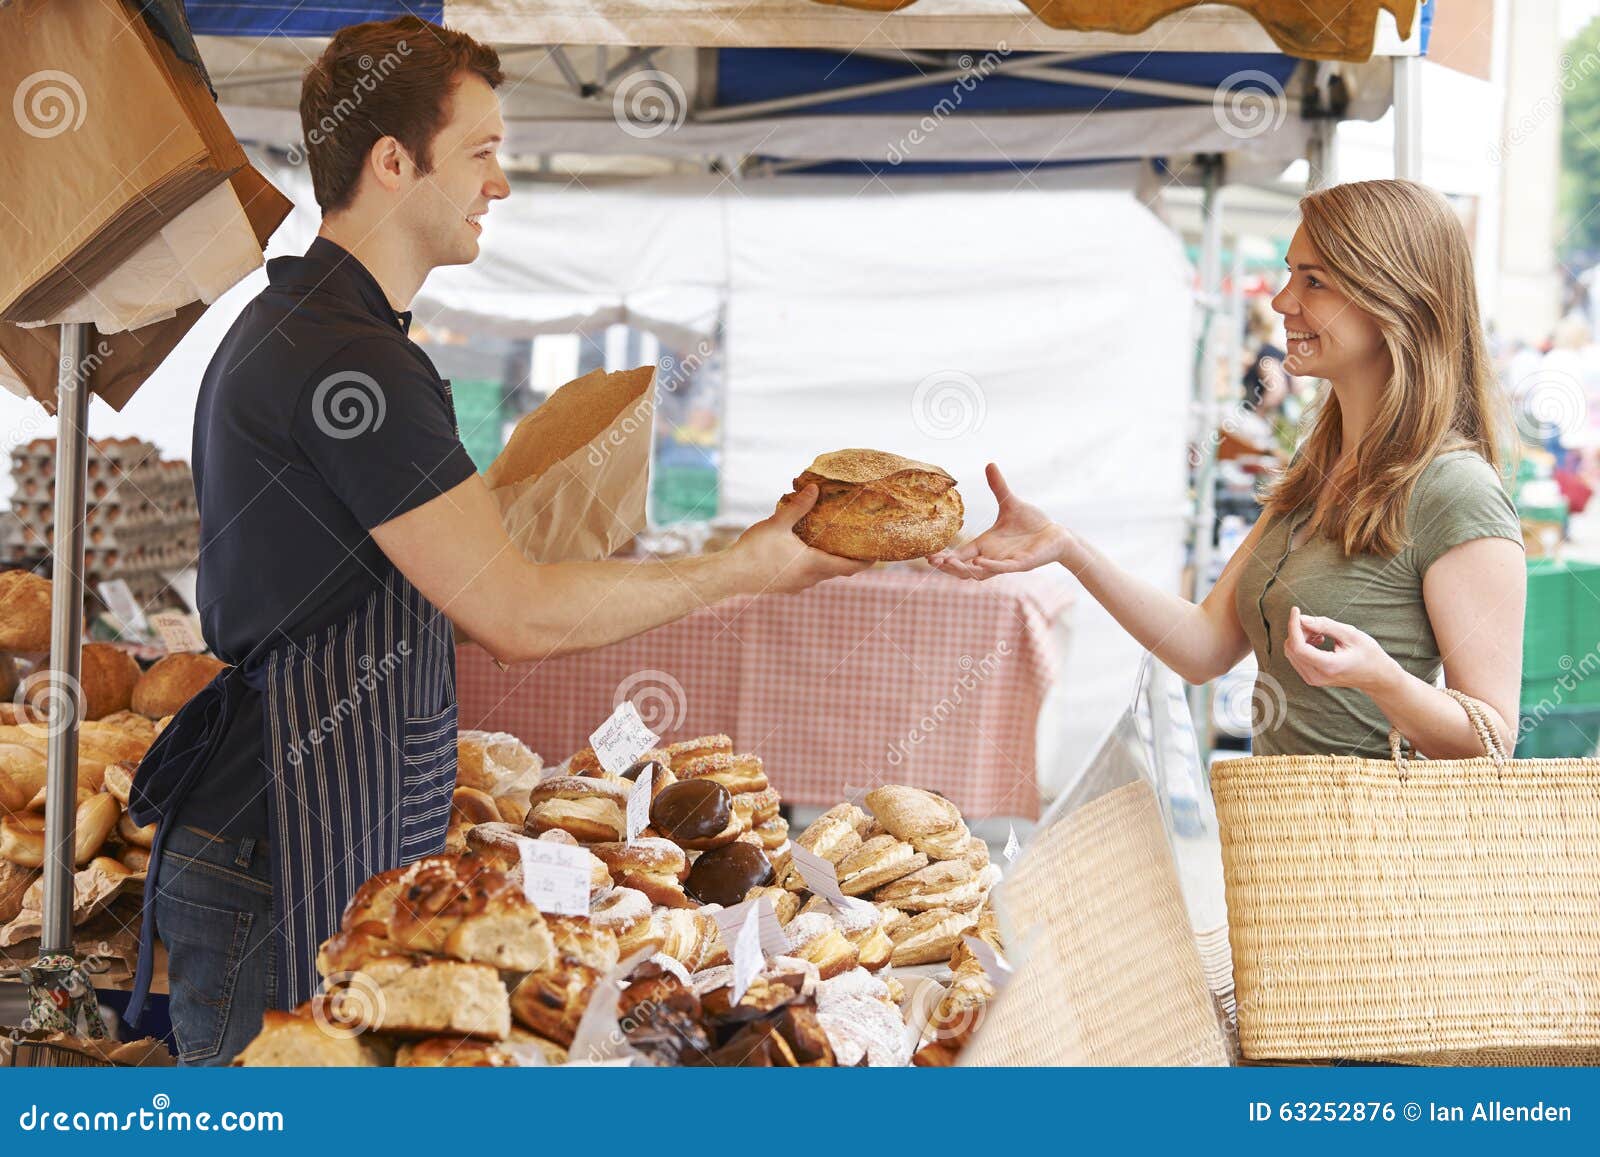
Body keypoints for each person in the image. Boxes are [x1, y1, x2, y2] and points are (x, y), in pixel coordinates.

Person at [126, 16, 866, 1065]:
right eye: (481, 152)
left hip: (284, 827)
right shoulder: (352, 365)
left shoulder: (304, 327)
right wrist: (747, 568)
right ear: (392, 162)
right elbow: (511, 613)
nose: (500, 184)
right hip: (284, 843)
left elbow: (439, 583)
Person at [934, 179, 1525, 763]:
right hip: (1278, 843)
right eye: (1291, 272)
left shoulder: (1456, 489)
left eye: (1313, 281)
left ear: (1392, 298)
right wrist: (1068, 548)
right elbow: (1205, 648)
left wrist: (1383, 681)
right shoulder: (1315, 465)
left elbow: (1494, 740)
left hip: (1380, 853)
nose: (1281, 301)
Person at [1239, 297, 1288, 415]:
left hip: (1262, 423)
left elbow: (1277, 390)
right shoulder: (1278, 350)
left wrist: (1259, 413)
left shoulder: (1266, 353)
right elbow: (1297, 386)